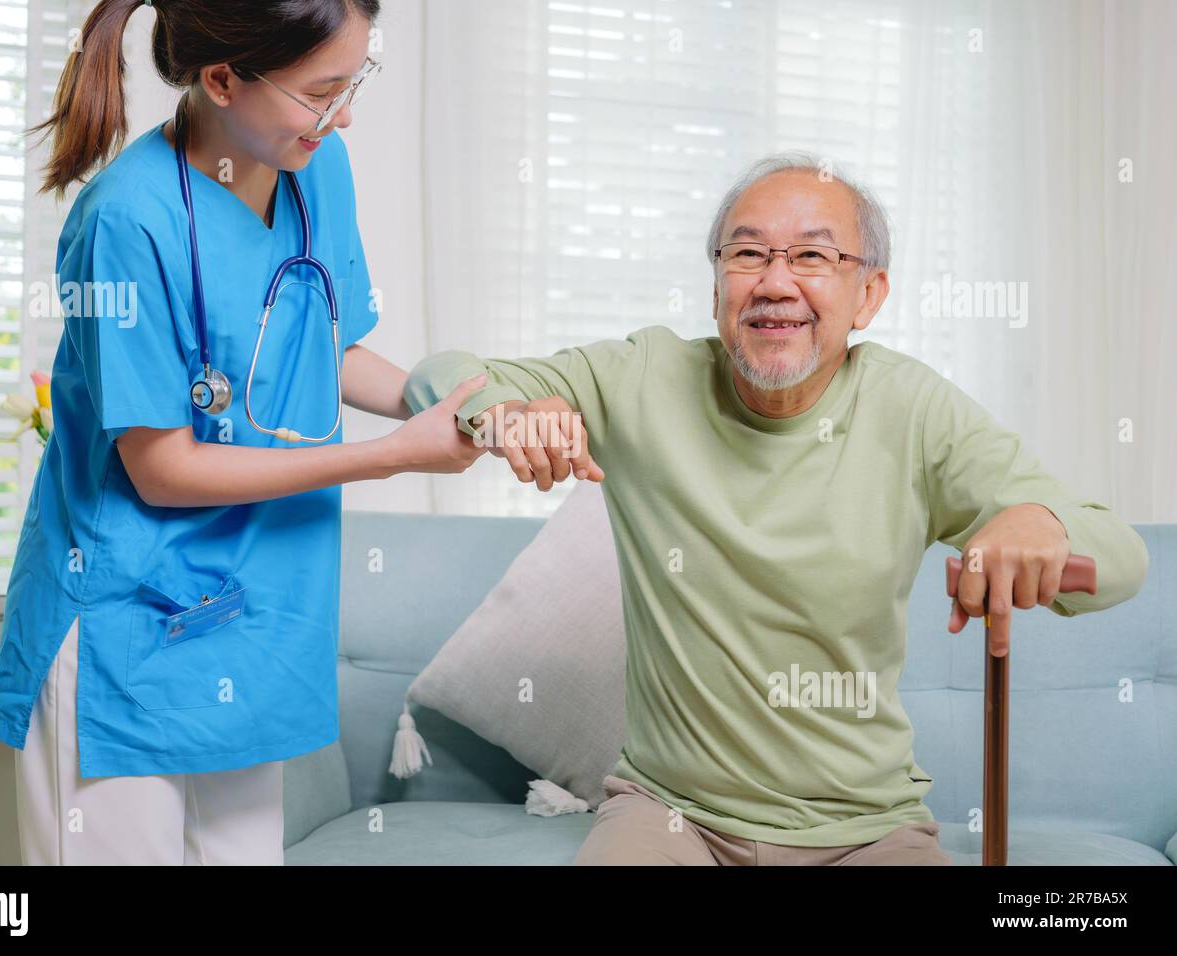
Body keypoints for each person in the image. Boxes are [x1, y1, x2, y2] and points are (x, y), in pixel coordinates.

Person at [401, 152, 1151, 865]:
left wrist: (1037, 524)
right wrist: (505, 416)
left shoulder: (914, 410)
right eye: (748, 254)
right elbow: (442, 377)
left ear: (870, 295)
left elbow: (1121, 558)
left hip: (865, 830)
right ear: (717, 283)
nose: (774, 282)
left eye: (814, 257)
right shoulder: (644, 377)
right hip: (670, 815)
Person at [0, 0, 488, 865]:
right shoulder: (126, 221)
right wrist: (392, 458)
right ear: (221, 79)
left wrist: (429, 399)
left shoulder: (315, 167)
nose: (345, 114)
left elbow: (314, 347)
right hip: (124, 636)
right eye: (322, 91)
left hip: (250, 628)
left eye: (354, 82)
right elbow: (162, 468)